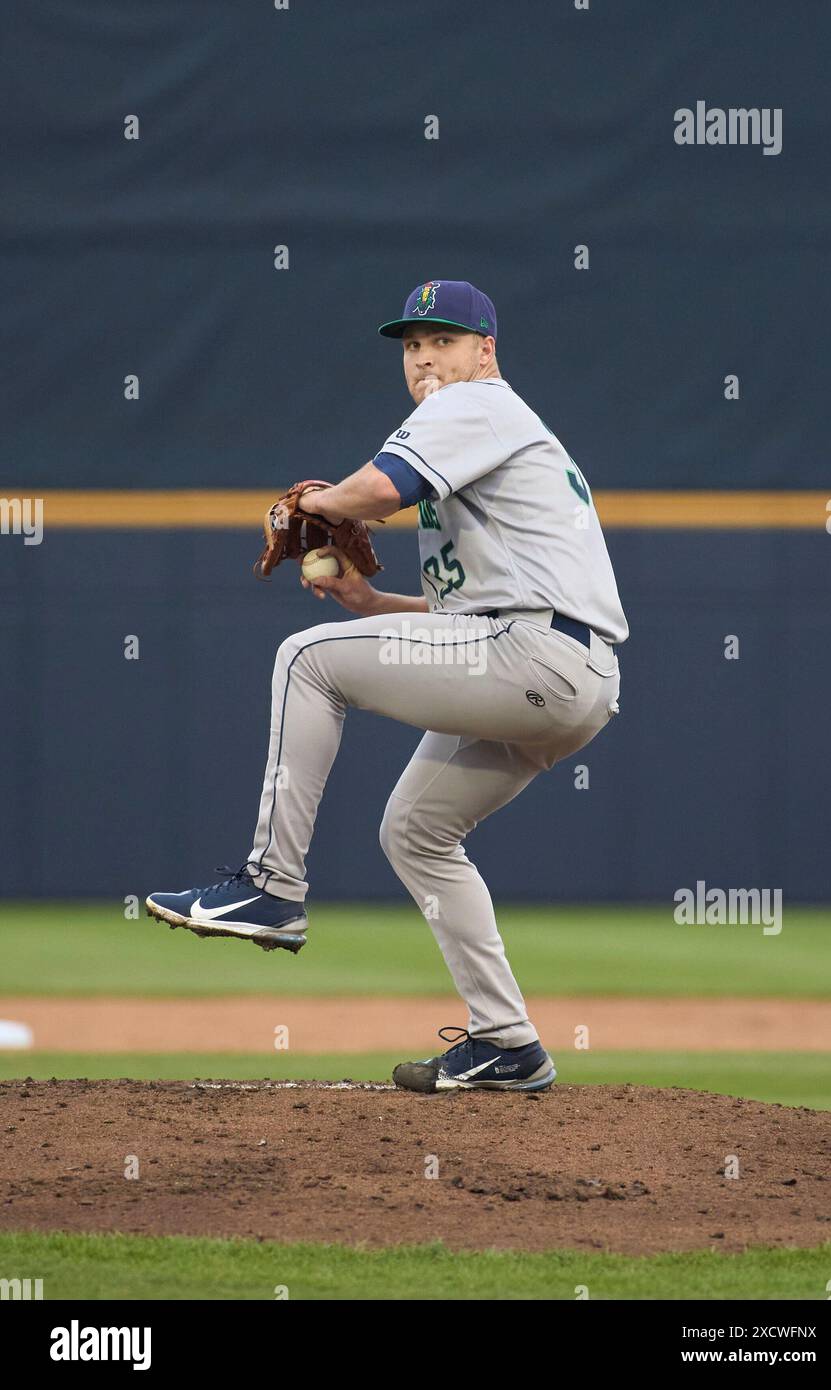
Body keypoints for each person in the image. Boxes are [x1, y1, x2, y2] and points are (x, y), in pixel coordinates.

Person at [147, 279, 628, 1093]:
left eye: (442, 340)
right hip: (561, 669)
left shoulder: (474, 405)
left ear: (486, 351)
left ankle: (270, 888)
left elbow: (377, 491)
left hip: (532, 653)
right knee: (416, 832)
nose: (424, 359)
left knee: (308, 659)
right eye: (412, 346)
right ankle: (507, 1043)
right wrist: (373, 604)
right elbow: (465, 615)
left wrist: (316, 503)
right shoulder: (487, 434)